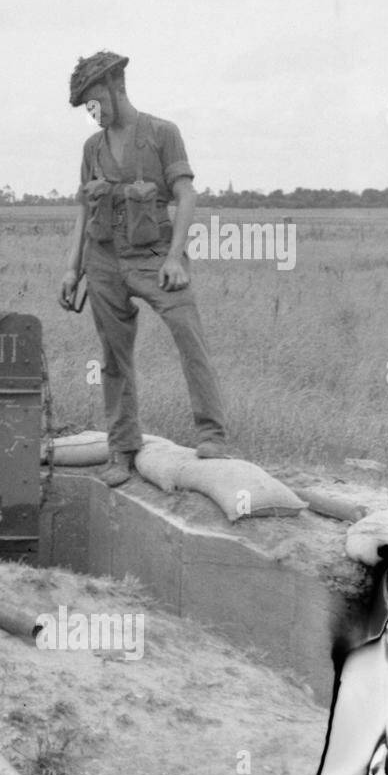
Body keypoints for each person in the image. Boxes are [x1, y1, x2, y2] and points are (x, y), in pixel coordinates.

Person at [58, 50, 231, 486]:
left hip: (154, 257)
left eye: (96, 101)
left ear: (117, 86)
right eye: (87, 108)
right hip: (102, 262)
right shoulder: (92, 148)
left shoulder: (161, 133)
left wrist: (175, 257)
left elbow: (186, 195)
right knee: (113, 358)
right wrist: (71, 269)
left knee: (189, 337)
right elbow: (83, 209)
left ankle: (211, 434)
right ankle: (122, 449)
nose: (93, 113)